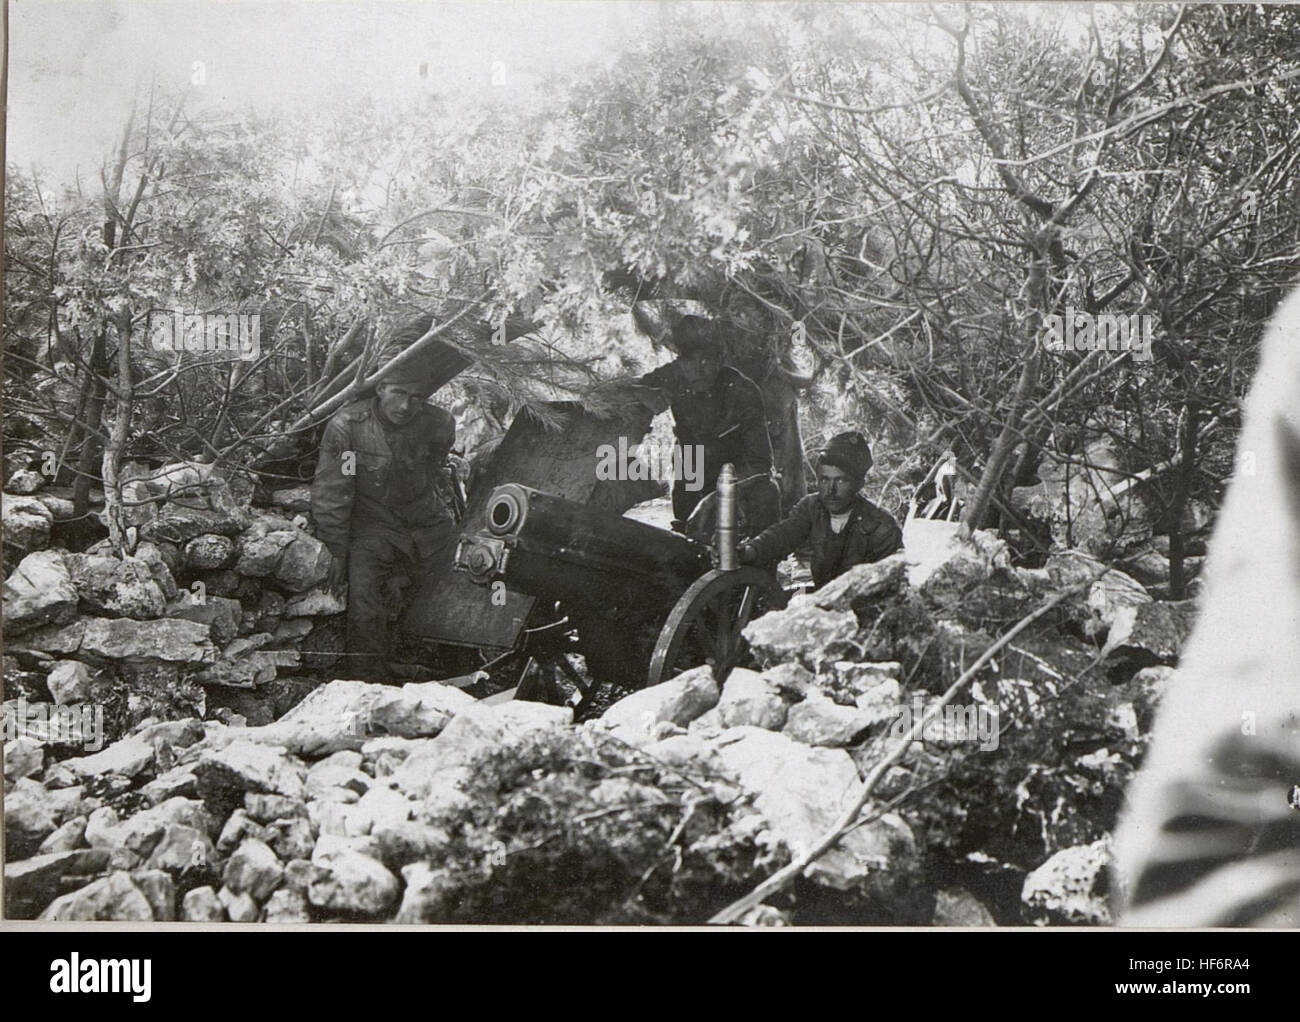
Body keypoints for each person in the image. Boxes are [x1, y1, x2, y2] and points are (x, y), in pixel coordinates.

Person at [310, 345, 457, 681]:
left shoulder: (439, 424)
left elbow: (435, 468)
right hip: (375, 527)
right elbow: (334, 491)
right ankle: (368, 685)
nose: (406, 406)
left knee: (459, 590)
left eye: (417, 397)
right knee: (364, 602)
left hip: (430, 526)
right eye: (399, 393)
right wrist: (335, 549)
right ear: (380, 388)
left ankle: (465, 678)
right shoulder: (348, 426)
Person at [635, 315, 780, 534]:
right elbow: (618, 392)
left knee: (767, 494)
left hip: (736, 472)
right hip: (691, 468)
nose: (698, 369)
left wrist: (715, 498)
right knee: (690, 539)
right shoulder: (675, 374)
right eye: (690, 361)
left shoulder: (742, 390)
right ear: (680, 360)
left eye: (707, 360)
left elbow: (760, 464)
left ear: (721, 360)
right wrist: (639, 392)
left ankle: (759, 560)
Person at [738, 430, 901, 588]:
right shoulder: (812, 507)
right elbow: (782, 535)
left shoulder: (882, 529)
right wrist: (750, 550)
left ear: (859, 484)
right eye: (824, 480)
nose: (831, 490)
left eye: (841, 481)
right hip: (823, 604)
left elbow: (891, 589)